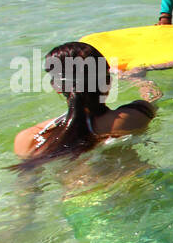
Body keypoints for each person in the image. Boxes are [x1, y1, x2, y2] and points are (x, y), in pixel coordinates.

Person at [13, 42, 158, 162]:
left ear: (56, 87)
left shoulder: (27, 140)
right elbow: (153, 98)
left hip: (70, 196)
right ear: (108, 82)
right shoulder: (130, 118)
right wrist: (138, 79)